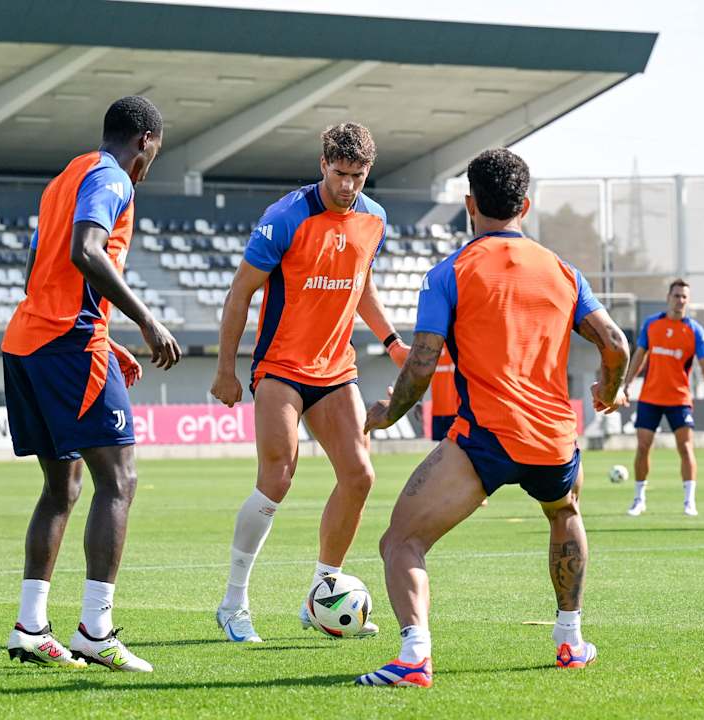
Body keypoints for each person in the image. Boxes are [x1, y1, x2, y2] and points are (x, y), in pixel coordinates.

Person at [356, 148, 629, 687]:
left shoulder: (449, 273)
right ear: (524, 204)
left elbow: (423, 362)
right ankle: (571, 641)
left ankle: (414, 655)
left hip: (484, 441)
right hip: (554, 439)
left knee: (400, 542)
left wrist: (389, 413)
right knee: (563, 514)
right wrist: (608, 389)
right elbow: (616, 343)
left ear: (468, 204)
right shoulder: (564, 271)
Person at [210, 122, 408, 643]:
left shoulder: (375, 219)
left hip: (336, 368)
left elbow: (361, 282)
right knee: (278, 477)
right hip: (279, 366)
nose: (348, 186)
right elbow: (239, 294)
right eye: (340, 174)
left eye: (358, 176)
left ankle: (321, 596)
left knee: (360, 476)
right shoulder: (285, 218)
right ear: (323, 165)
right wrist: (225, 369)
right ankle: (233, 604)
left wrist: (392, 342)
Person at [1, 96, 181, 671]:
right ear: (146, 142)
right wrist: (146, 321)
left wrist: (108, 336)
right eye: (155, 151)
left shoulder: (67, 176)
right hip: (67, 343)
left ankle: (31, 628)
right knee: (120, 479)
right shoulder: (113, 178)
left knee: (64, 486)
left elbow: (43, 268)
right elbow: (85, 252)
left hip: (28, 339)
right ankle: (95, 630)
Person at [624, 279, 704, 517]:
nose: (680, 300)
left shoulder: (695, 330)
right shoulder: (652, 325)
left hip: (679, 399)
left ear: (687, 301)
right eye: (676, 295)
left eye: (684, 297)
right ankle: (639, 498)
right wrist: (625, 385)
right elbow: (640, 357)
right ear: (668, 297)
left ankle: (689, 501)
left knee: (686, 448)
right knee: (643, 446)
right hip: (650, 397)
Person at [428, 348, 457, 440]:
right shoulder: (431, 346)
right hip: (437, 410)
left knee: (459, 448)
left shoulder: (458, 344)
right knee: (440, 449)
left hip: (457, 411)